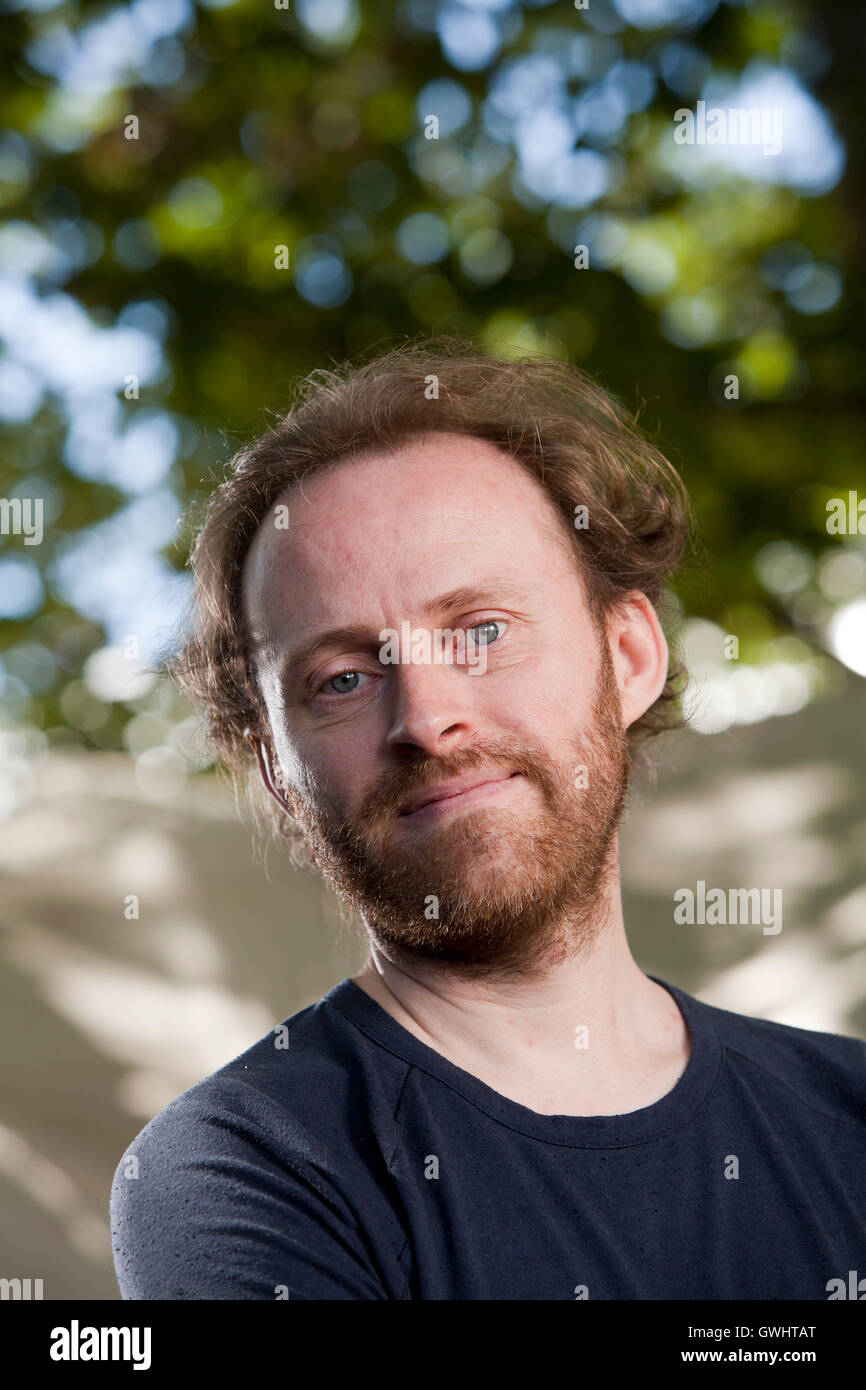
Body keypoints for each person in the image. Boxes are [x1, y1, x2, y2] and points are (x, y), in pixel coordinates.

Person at [110, 337, 866, 1300]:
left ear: (629, 654)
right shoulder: (241, 1175)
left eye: (482, 631)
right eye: (343, 678)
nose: (426, 720)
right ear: (274, 768)